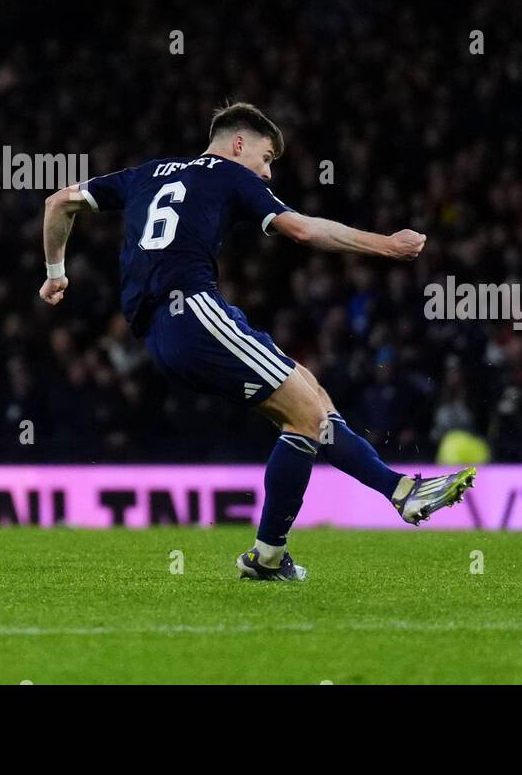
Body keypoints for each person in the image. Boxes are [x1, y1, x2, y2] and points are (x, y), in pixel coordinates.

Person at [39, 102, 476, 581]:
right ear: (239, 143)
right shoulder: (230, 174)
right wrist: (387, 245)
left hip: (163, 331)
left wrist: (56, 274)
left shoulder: (145, 173)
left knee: (311, 398)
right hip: (195, 313)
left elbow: (59, 201)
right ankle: (399, 493)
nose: (267, 173)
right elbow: (303, 230)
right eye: (267, 158)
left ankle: (271, 556)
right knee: (308, 414)